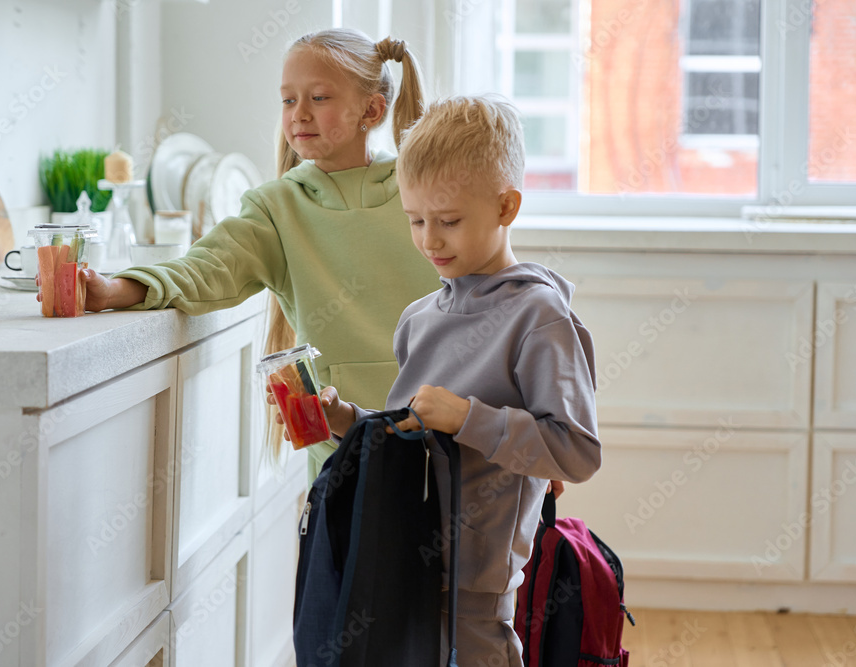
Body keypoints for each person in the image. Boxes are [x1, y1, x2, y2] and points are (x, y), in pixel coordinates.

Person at [49, 28, 440, 480]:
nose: (299, 115)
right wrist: (114, 290)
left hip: (445, 425)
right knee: (347, 549)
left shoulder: (423, 188)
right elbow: (208, 268)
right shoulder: (276, 206)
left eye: (318, 97)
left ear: (370, 109)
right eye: (288, 100)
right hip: (344, 448)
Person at [317, 95, 603, 667]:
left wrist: (470, 418)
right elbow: (411, 434)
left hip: (476, 588)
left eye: (448, 221)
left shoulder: (538, 317)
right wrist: (347, 422)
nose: (430, 241)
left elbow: (576, 453)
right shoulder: (419, 319)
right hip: (400, 563)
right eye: (415, 220)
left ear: (506, 206)